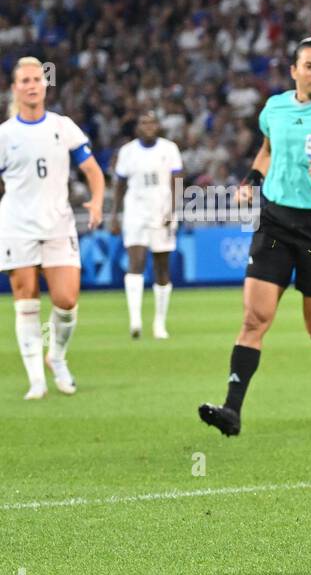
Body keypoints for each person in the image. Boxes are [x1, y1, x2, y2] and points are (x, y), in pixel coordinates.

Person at [198, 37, 311, 436]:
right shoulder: (275, 108)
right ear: (294, 70)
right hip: (275, 223)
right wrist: (251, 180)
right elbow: (266, 149)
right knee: (254, 318)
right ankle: (232, 410)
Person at [0, 56, 105, 399]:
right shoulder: (5, 135)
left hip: (58, 225)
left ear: (45, 85)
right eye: (25, 81)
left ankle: (56, 357)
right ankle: (36, 380)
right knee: (25, 300)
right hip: (17, 227)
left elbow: (92, 170)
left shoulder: (63, 126)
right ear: (15, 88)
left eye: (36, 79)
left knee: (66, 299)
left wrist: (97, 200)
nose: (31, 85)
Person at [110, 111, 184, 339]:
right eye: (144, 122)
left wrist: (174, 210)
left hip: (162, 211)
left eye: (152, 122)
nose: (148, 126)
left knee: (162, 266)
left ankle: (159, 324)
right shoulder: (127, 151)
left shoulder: (169, 149)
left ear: (158, 126)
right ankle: (135, 321)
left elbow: (178, 181)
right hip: (135, 212)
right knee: (136, 261)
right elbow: (120, 185)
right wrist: (114, 214)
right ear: (137, 127)